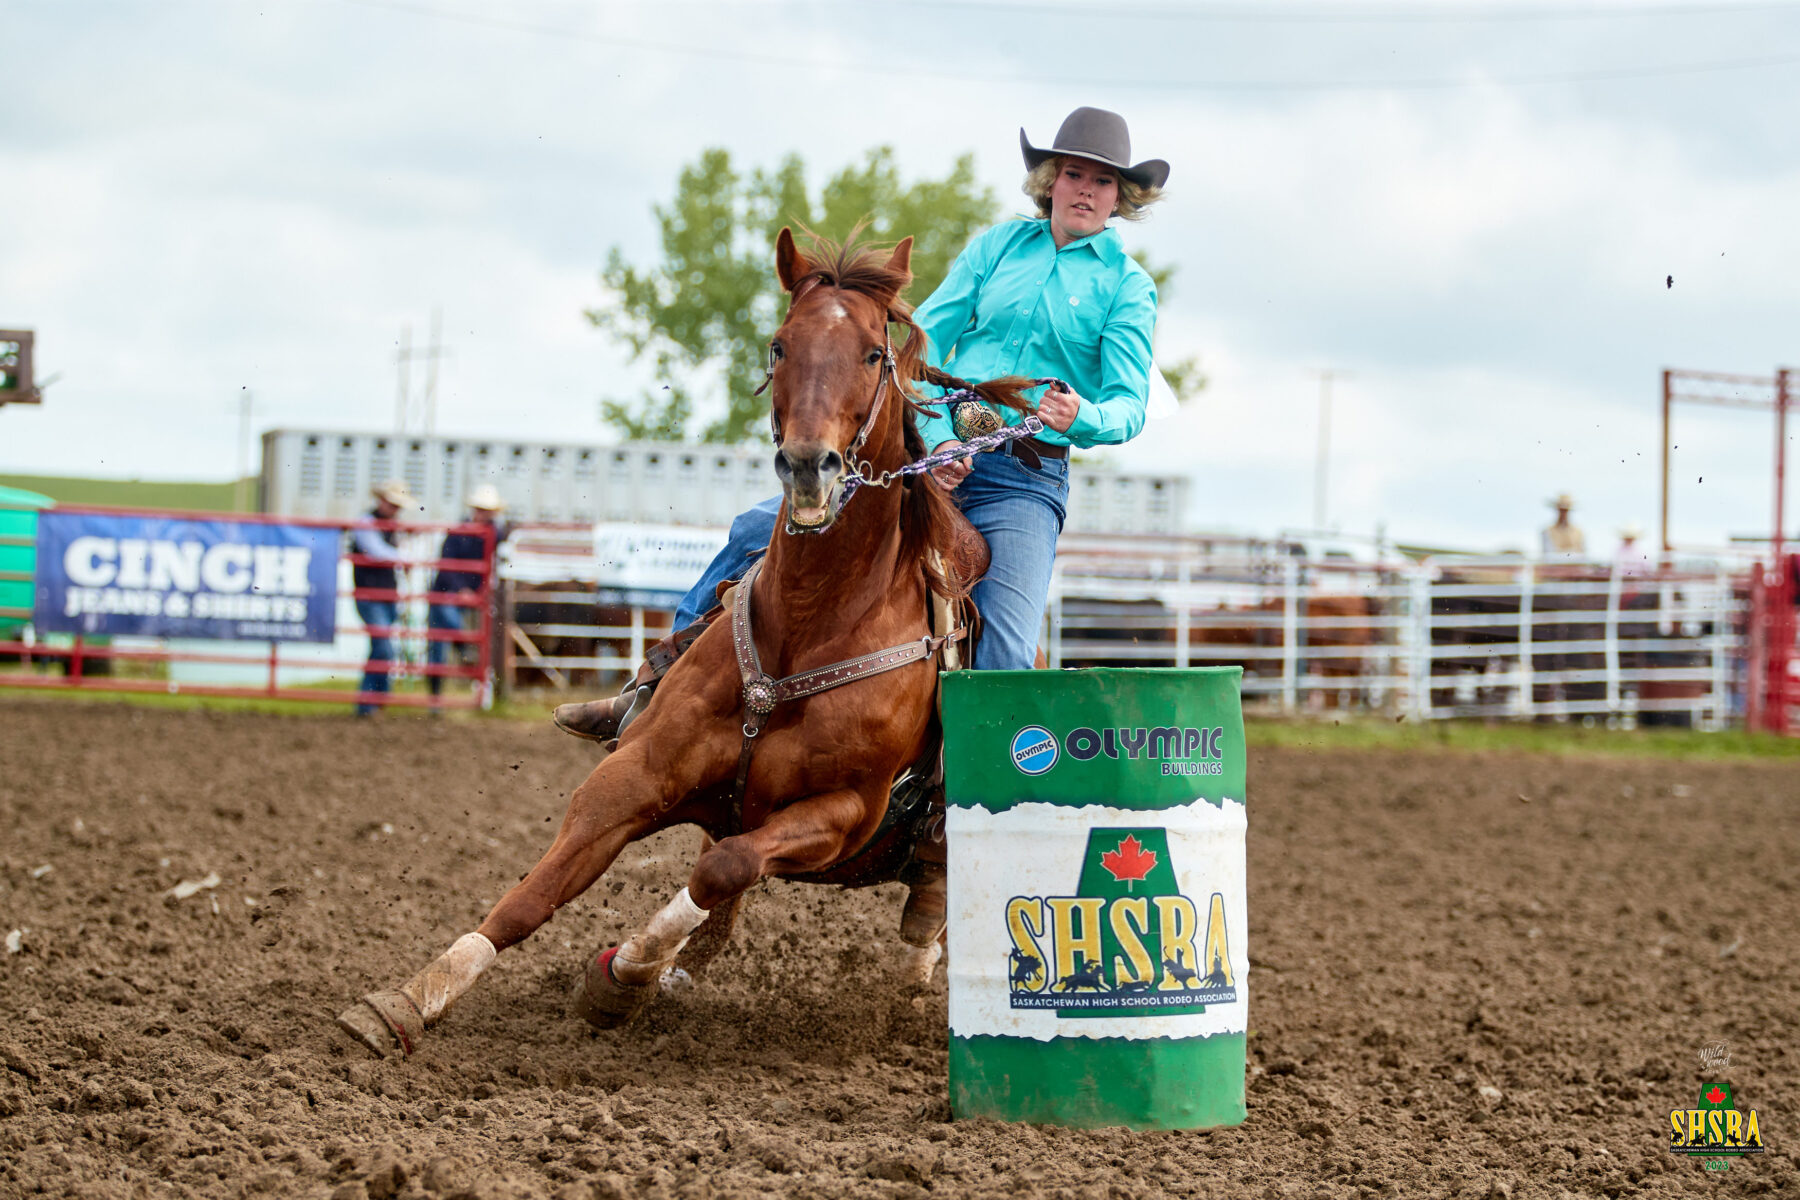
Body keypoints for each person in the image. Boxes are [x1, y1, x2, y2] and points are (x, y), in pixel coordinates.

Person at [554, 105, 1170, 743]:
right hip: (930, 454)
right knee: (753, 529)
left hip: (1023, 481)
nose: (1087, 191)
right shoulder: (996, 247)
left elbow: (1131, 405)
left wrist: (1084, 416)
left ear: (1120, 197)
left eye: (1103, 182)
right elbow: (920, 346)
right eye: (1075, 175)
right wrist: (937, 438)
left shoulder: (1128, 287)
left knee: (1006, 649)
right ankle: (649, 692)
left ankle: (972, 802)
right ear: (1050, 180)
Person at [427, 485, 508, 708]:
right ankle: (464, 649)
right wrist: (462, 590)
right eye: (481, 509)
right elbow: (446, 566)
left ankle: (438, 697)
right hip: (447, 594)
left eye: (488, 510)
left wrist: (475, 591)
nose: (485, 514)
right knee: (439, 647)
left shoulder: (491, 534)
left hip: (467, 596)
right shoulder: (458, 533)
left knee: (440, 643)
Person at [351, 479, 417, 716]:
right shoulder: (366, 523)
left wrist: (403, 559)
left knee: (381, 646)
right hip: (371, 595)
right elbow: (376, 552)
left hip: (386, 594)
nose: (395, 510)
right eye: (392, 504)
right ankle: (370, 701)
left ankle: (371, 701)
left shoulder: (392, 527)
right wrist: (403, 558)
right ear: (381, 501)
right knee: (384, 646)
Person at [1541, 493, 1586, 559]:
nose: (1563, 514)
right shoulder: (1547, 531)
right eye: (1561, 510)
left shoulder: (1579, 532)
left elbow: (1582, 554)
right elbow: (1548, 554)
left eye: (1565, 511)